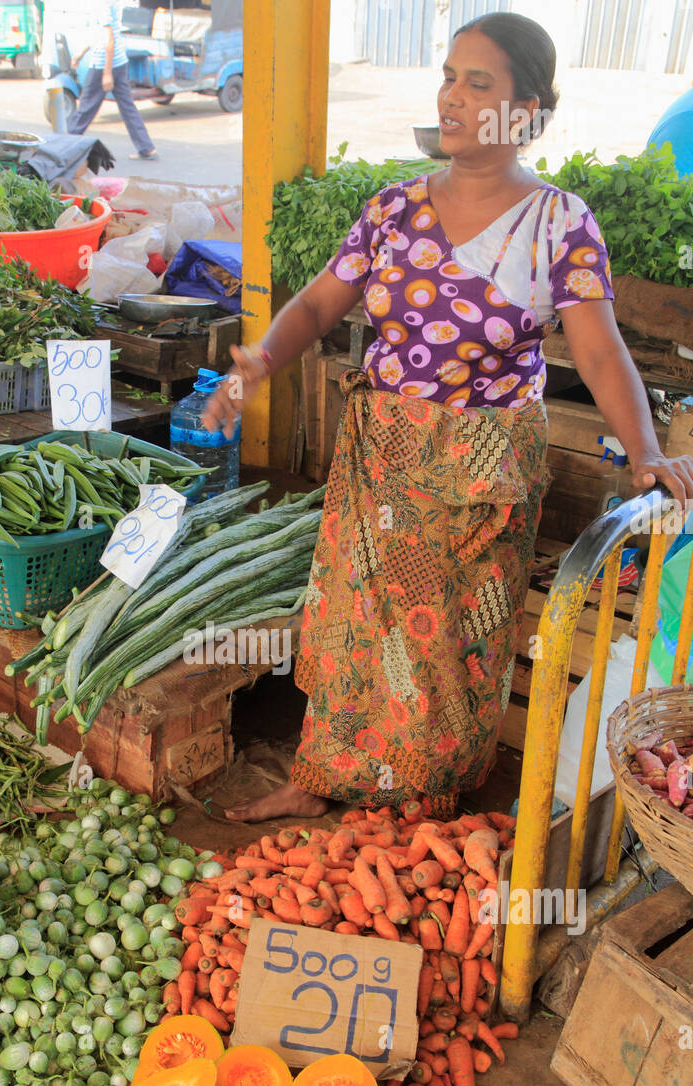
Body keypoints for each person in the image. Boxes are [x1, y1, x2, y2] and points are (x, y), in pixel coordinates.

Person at [203, 10, 693, 825]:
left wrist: (645, 450)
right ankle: (318, 777)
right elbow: (322, 301)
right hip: (381, 459)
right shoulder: (394, 207)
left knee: (443, 649)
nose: (453, 96)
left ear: (527, 109)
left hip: (479, 472)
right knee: (352, 628)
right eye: (447, 76)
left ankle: (420, 810)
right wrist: (255, 362)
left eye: (479, 82)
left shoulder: (558, 224)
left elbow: (601, 353)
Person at [68, 1, 158, 160]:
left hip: (104, 64)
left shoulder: (102, 4)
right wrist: (80, 55)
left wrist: (107, 73)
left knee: (86, 108)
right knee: (127, 107)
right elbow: (98, 36)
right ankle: (147, 148)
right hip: (119, 62)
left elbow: (109, 41)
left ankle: (65, 145)